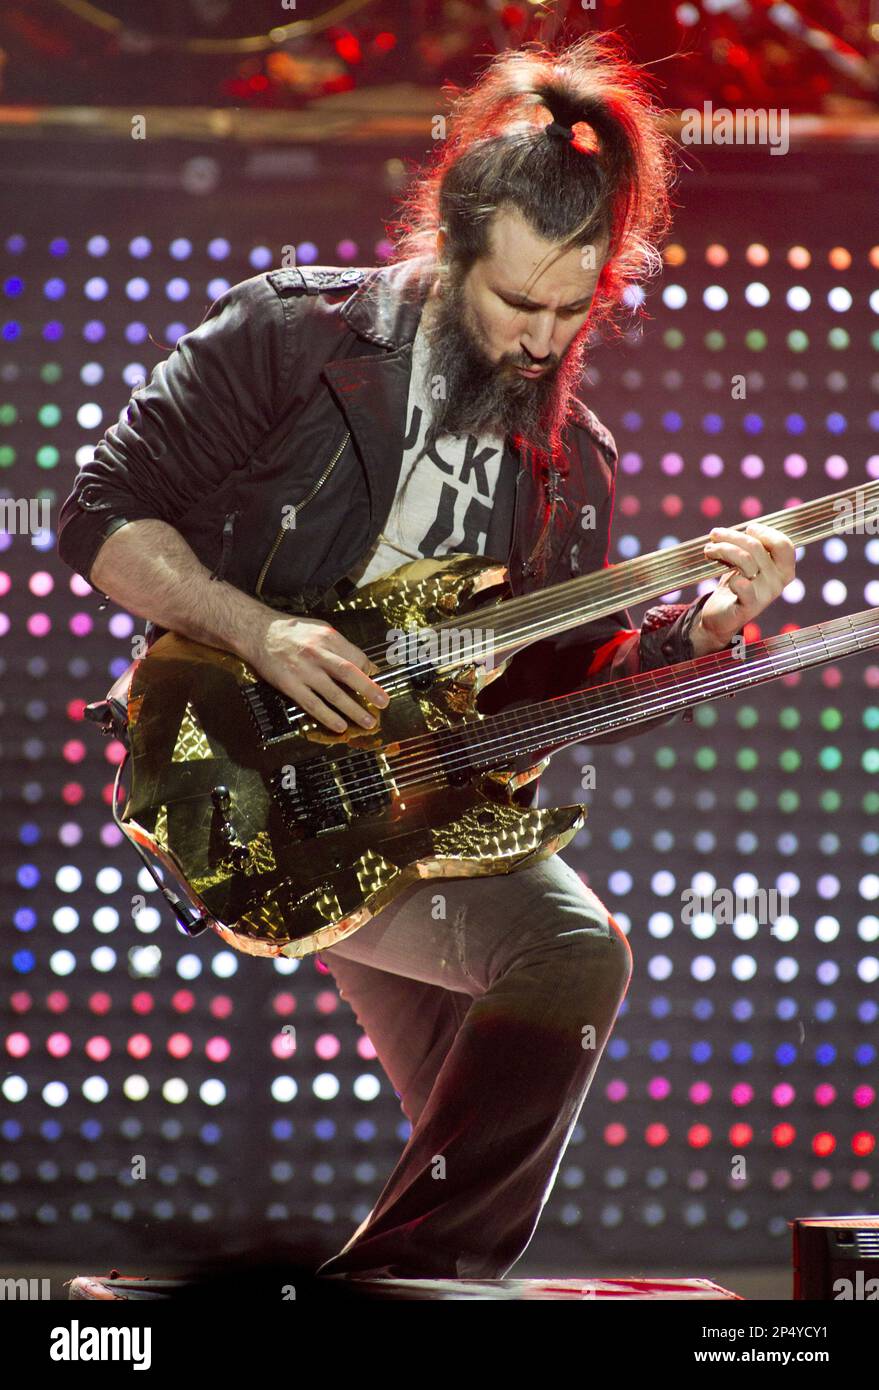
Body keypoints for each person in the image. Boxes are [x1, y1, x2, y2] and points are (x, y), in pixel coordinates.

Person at [57, 34, 794, 1280]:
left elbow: (548, 685)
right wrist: (259, 626)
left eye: (575, 310)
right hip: (239, 763)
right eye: (517, 304)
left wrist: (699, 633)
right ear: (453, 249)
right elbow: (100, 512)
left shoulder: (574, 463)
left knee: (473, 1110)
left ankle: (388, 1296)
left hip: (408, 809)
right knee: (562, 963)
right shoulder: (293, 334)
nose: (543, 342)